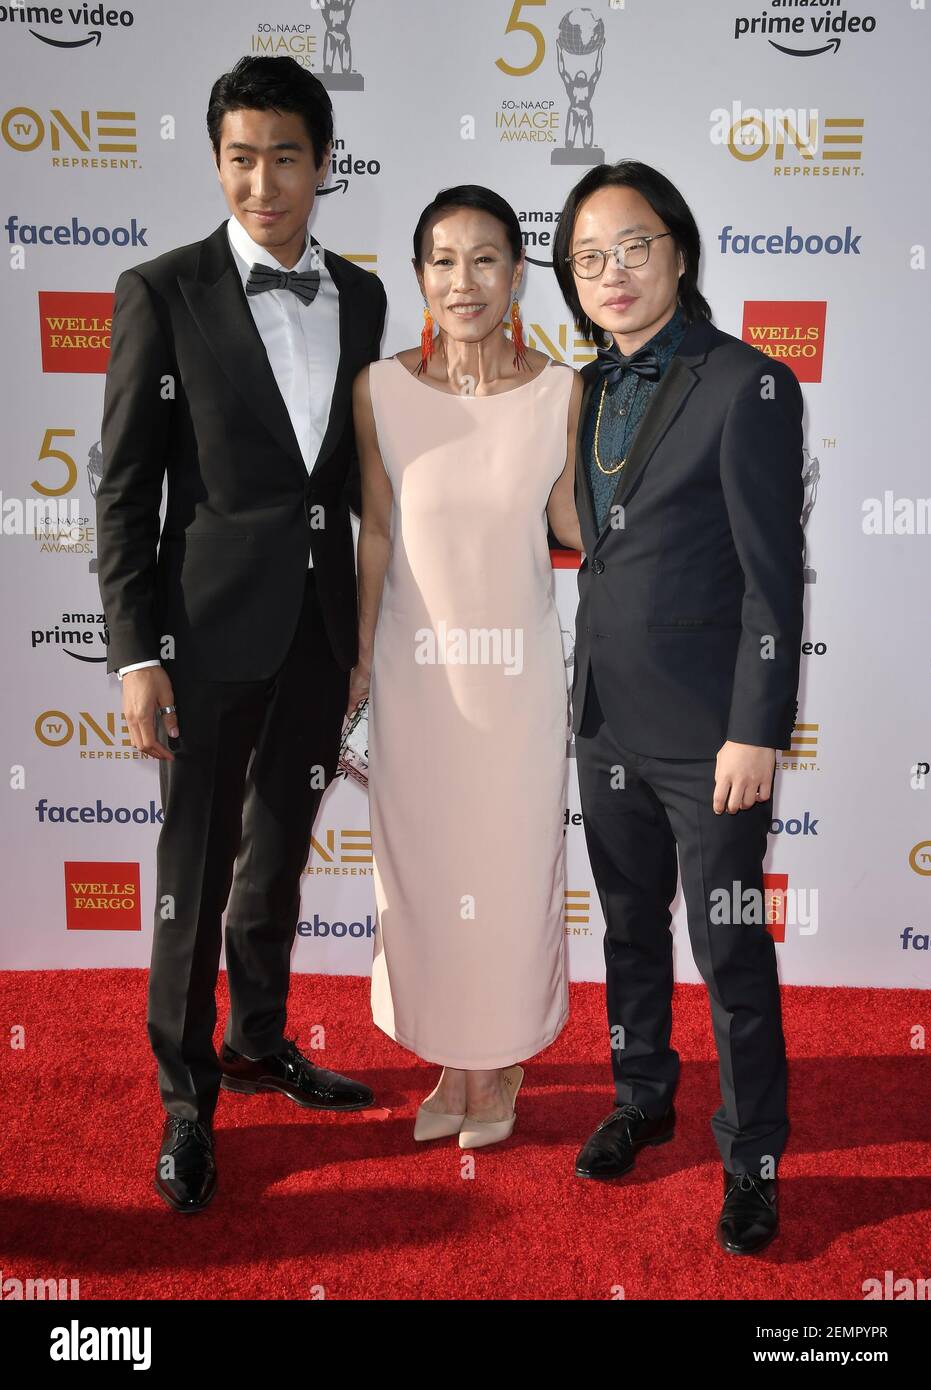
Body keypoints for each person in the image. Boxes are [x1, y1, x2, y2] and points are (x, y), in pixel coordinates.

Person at [95, 56, 386, 1213]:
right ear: (216, 160)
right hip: (205, 637)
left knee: (275, 856)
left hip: (318, 627)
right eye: (238, 156)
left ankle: (260, 1041)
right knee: (192, 870)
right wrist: (134, 653)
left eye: (283, 156)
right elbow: (124, 492)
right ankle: (185, 1098)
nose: (260, 180)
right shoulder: (160, 290)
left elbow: (362, 478)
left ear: (323, 164)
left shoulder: (361, 297)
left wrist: (363, 627)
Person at [552, 160, 804, 1254]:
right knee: (624, 927)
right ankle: (640, 1090)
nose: (610, 273)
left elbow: (771, 573)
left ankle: (749, 1152)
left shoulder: (744, 382)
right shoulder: (584, 389)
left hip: (710, 736)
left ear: (679, 251)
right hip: (603, 715)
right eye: (586, 258)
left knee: (730, 942)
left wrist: (755, 725)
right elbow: (583, 542)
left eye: (632, 247)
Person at [350, 186, 584, 1148]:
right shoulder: (381, 391)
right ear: (418, 278)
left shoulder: (562, 391)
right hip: (416, 681)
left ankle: (500, 1067)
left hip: (519, 680)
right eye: (443, 261)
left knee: (512, 864)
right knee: (427, 870)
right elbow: (375, 539)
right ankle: (453, 1060)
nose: (464, 281)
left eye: (486, 259)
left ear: (518, 274)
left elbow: (574, 525)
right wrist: (360, 662)